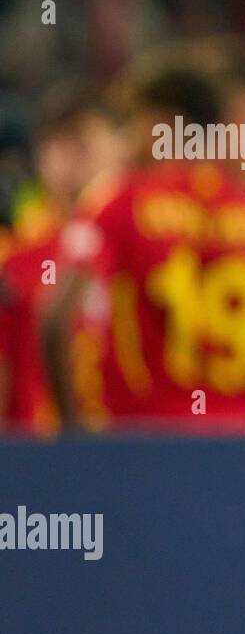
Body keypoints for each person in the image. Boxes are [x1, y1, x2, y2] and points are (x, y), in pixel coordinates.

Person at [43, 48, 245, 431]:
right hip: (237, 446)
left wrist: (71, 432)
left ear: (165, 124)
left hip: (141, 445)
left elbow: (57, 320)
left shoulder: (119, 202)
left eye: (133, 124)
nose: (126, 141)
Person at [0, 83, 120, 433]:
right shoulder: (15, 262)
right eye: (56, 143)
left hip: (135, 444)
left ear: (118, 147)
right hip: (42, 458)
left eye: (82, 143)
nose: (69, 157)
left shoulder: (147, 248)